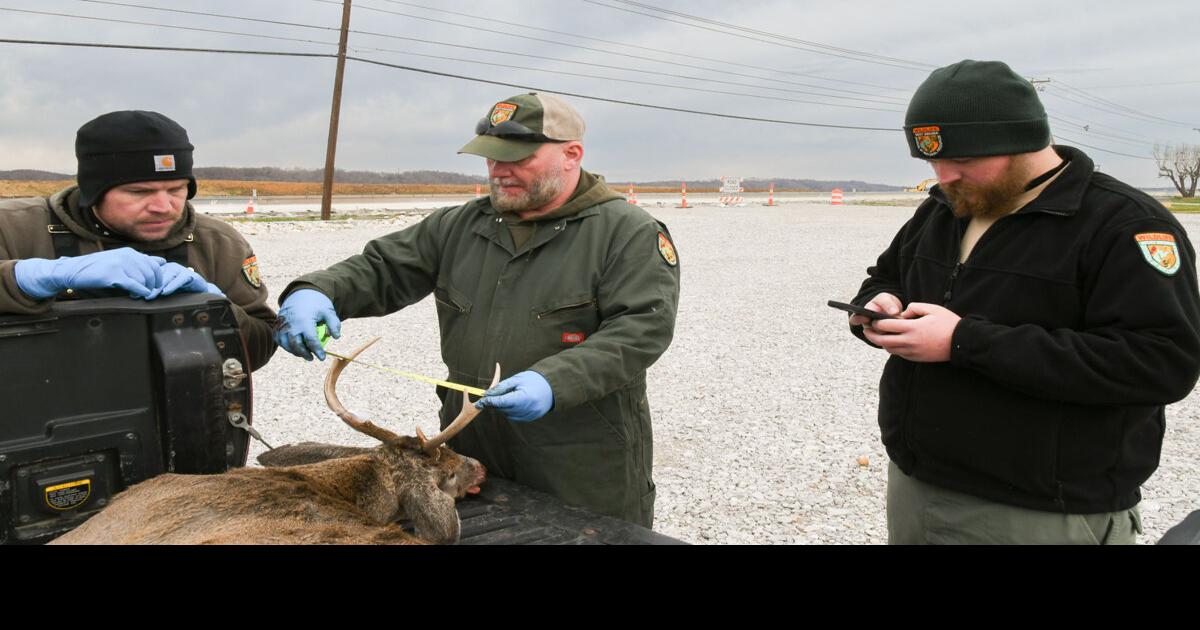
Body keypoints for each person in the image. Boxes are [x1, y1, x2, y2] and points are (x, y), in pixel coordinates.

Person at [273, 92, 680, 527]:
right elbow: (381, 268)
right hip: (470, 455)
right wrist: (316, 292)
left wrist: (553, 382)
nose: (499, 171)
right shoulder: (461, 226)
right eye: (491, 157)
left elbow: (640, 329)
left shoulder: (627, 232)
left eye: (517, 158)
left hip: (579, 461)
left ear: (571, 154)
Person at [847, 60, 1200, 544]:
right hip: (917, 484)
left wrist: (963, 341)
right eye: (931, 161)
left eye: (965, 161)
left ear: (1024, 141)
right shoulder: (945, 207)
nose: (944, 175)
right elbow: (886, 275)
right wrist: (877, 305)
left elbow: (1162, 362)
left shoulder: (1123, 225)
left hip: (1037, 510)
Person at [0, 110, 276, 371]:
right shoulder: (15, 227)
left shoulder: (217, 242)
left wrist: (218, 308)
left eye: (176, 189)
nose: (163, 206)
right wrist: (28, 279)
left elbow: (260, 347)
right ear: (92, 190)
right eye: (139, 191)